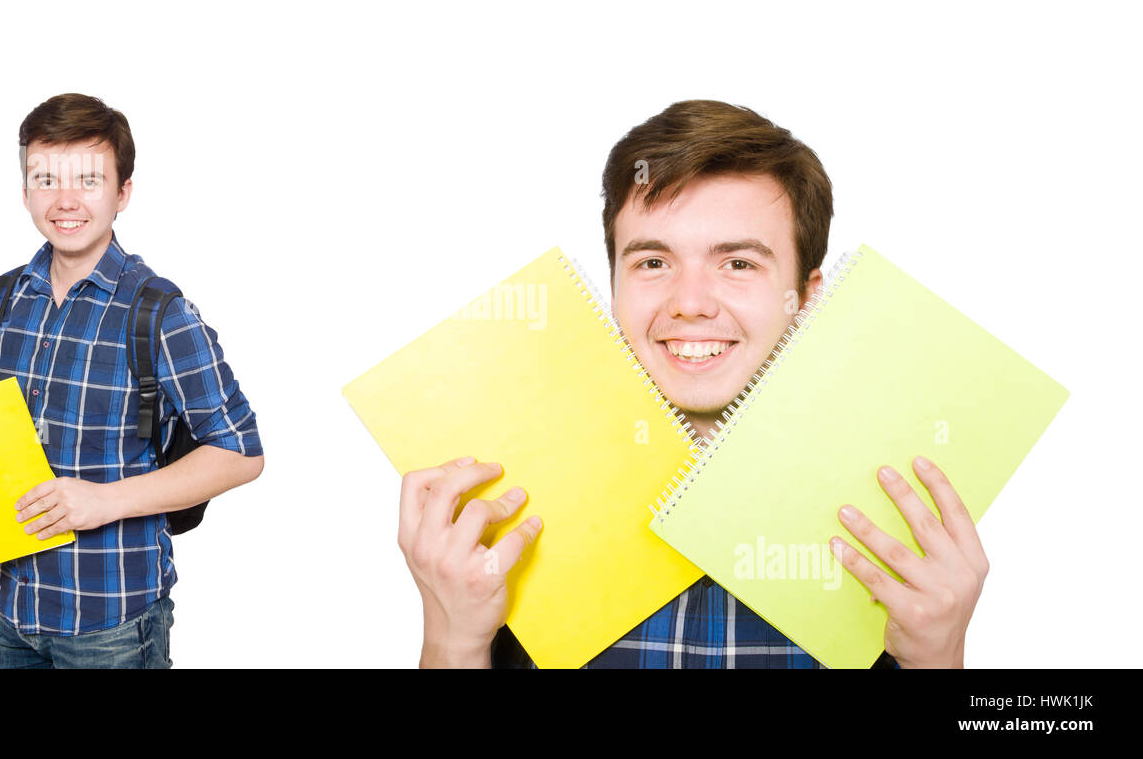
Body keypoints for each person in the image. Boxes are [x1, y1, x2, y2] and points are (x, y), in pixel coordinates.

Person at [397, 101, 989, 668]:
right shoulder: (497, 502)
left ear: (807, 298)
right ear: (613, 290)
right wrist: (451, 642)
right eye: (653, 262)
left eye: (738, 264)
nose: (690, 304)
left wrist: (938, 660)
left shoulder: (894, 518)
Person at [0, 93, 265, 668]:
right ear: (24, 193)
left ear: (123, 193)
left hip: (111, 623)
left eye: (89, 179)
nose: (65, 200)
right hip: (5, 612)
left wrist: (104, 502)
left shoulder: (160, 312)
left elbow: (241, 452)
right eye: (45, 179)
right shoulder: (2, 299)